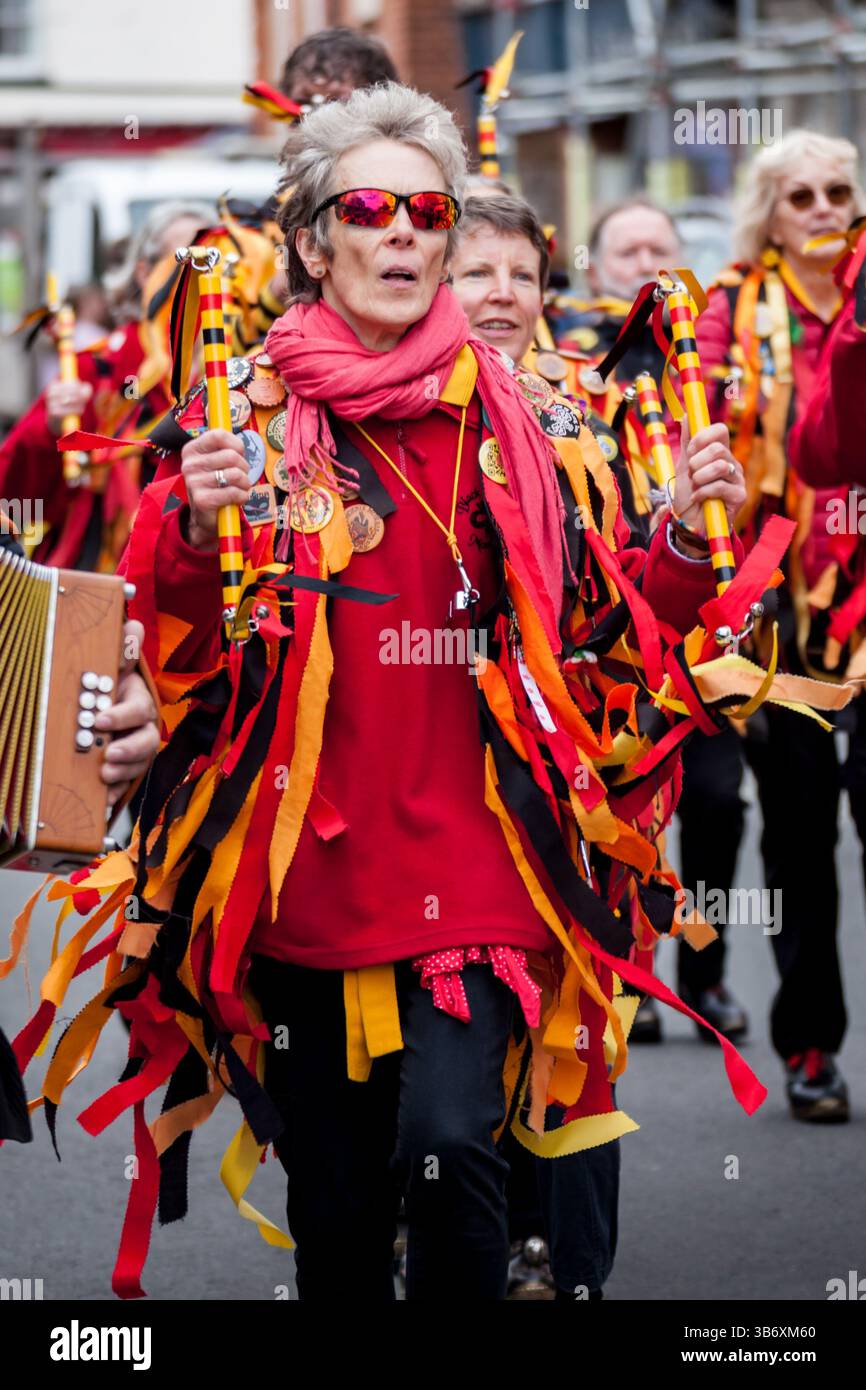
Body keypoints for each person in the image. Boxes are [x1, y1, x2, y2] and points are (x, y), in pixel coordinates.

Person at [11, 83, 755, 1302]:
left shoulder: (524, 417)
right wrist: (199, 532)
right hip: (306, 869)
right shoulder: (237, 421)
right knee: (342, 1210)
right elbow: (167, 652)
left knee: (452, 1143)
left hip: (479, 860)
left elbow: (598, 642)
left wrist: (674, 546)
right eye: (372, 206)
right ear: (313, 240)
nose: (406, 231)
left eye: (430, 209)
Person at [696, 129, 865, 1122]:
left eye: (836, 191)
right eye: (795, 194)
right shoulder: (730, 309)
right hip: (781, 619)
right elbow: (699, 427)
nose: (818, 208)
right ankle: (808, 1046)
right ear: (768, 211)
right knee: (798, 841)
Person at [0, 201, 213, 571]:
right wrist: (49, 430)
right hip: (95, 586)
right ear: (144, 272)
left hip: (197, 584)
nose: (201, 273)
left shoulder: (238, 370)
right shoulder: (94, 370)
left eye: (214, 259)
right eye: (185, 258)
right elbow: (11, 496)